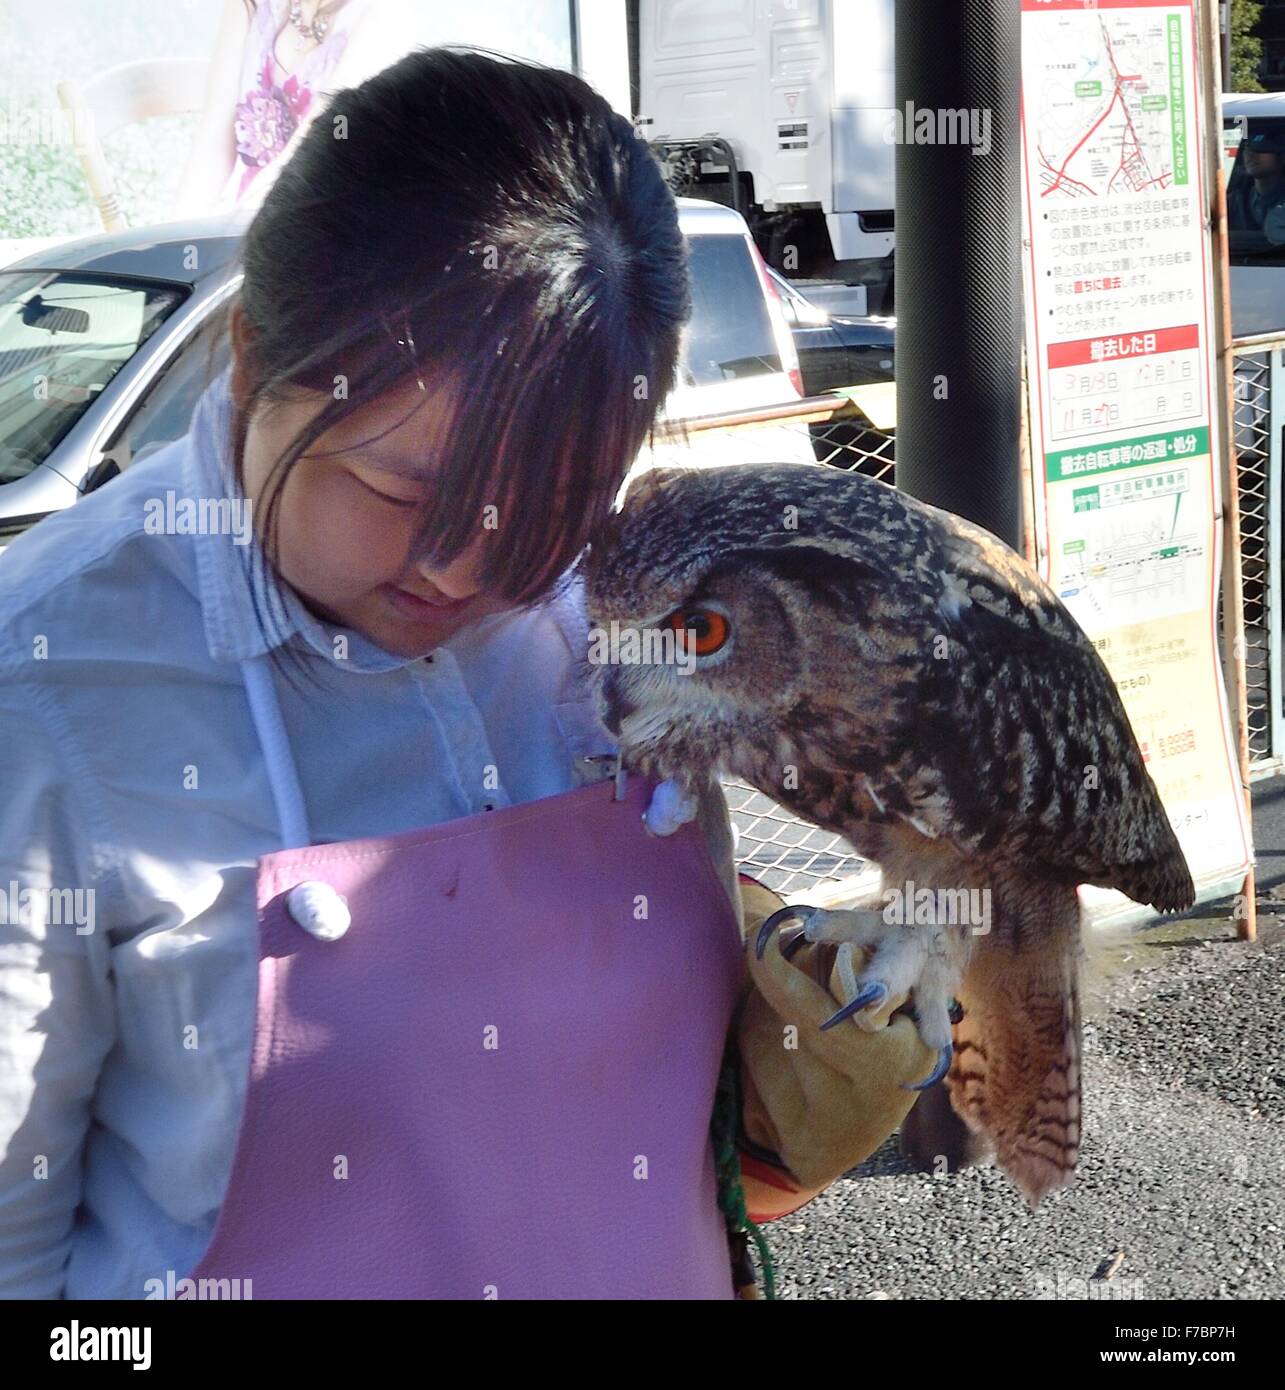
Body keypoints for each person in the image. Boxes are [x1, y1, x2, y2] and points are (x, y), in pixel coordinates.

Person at [0, 46, 936, 1300]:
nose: (461, 568)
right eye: (402, 488)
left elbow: (647, 1129)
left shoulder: (622, 608)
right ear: (248, 354)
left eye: (548, 502)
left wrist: (777, 1064)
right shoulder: (53, 682)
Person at [171, 0, 417, 217]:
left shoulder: (380, 15)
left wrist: (226, 246)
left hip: (327, 231)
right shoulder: (250, 4)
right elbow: (213, 139)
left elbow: (308, 160)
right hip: (247, 228)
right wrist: (171, 243)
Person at [1227, 129, 1285, 253]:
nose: (1251, 154)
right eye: (1247, 147)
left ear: (1282, 157)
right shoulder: (1232, 203)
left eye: (1261, 147)